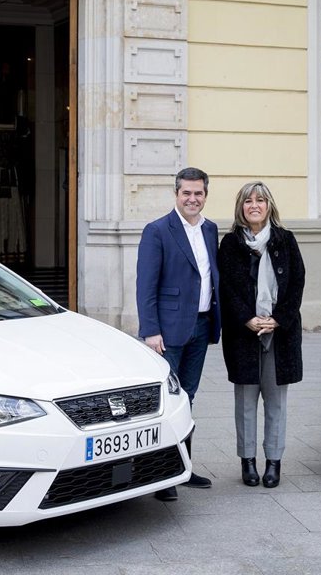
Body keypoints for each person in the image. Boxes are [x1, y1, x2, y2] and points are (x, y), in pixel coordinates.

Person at [136, 166, 221, 502]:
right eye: (186, 193)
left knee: (188, 398)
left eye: (198, 193)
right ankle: (162, 478)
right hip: (168, 332)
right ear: (176, 194)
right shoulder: (157, 230)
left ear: (205, 195)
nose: (192, 198)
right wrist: (150, 330)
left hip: (201, 326)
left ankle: (183, 468)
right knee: (167, 402)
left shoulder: (211, 229)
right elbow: (146, 285)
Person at [217, 181, 304, 489]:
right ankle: (248, 462)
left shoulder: (286, 240)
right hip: (244, 335)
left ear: (269, 206)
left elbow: (296, 285)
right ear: (241, 208)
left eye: (260, 200)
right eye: (248, 201)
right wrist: (247, 319)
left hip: (279, 335)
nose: (254, 205)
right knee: (246, 401)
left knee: (276, 402)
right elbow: (226, 289)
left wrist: (278, 320)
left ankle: (273, 463)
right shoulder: (229, 244)